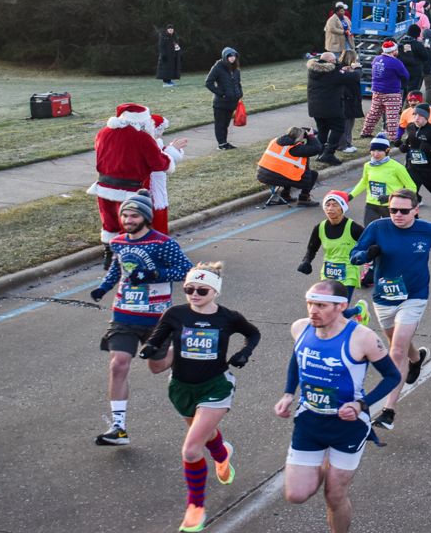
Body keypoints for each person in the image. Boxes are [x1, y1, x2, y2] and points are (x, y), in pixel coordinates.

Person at [140, 262, 261, 533]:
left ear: (215, 291)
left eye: (202, 290)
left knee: (191, 449)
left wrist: (244, 353)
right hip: (181, 387)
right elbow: (157, 338)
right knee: (204, 435)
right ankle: (222, 453)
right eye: (189, 289)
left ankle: (196, 506)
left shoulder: (229, 317)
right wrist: (150, 349)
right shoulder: (175, 314)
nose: (194, 294)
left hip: (215, 387)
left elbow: (253, 333)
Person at [275, 279, 401, 533]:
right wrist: (288, 393)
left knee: (334, 495)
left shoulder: (363, 338)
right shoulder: (300, 328)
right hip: (310, 422)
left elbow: (392, 376)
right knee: (296, 494)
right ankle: (323, 462)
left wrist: (361, 404)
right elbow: (298, 358)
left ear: (340, 306)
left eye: (321, 305)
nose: (313, 310)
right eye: (310, 303)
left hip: (348, 426)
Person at [89, 189, 194, 445]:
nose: (128, 220)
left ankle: (179, 350)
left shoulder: (163, 243)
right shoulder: (118, 242)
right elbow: (118, 269)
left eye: (134, 216)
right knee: (118, 364)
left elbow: (186, 270)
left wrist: (153, 275)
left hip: (156, 318)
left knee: (156, 367)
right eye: (125, 215)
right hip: (124, 315)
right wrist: (103, 288)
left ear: (146, 218)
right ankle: (118, 428)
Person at [348, 190, 431, 430]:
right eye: (393, 210)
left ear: (416, 210)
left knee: (396, 350)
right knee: (398, 342)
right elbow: (354, 255)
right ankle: (416, 359)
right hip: (384, 298)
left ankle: (388, 411)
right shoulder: (378, 227)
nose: (398, 214)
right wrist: (366, 255)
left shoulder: (428, 230)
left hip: (414, 296)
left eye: (404, 210)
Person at [88, 104, 186, 267]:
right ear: (143, 120)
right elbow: (159, 163)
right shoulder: (141, 137)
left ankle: (109, 255)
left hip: (103, 187)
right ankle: (127, 260)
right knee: (129, 224)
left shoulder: (103, 132)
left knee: (110, 223)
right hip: (129, 191)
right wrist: (170, 155)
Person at [298, 191, 366, 291]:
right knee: (327, 301)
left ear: (342, 208)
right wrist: (306, 261)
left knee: (341, 301)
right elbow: (312, 249)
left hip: (348, 274)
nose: (330, 208)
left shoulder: (354, 228)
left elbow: (370, 245)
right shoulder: (319, 227)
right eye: (327, 205)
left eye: (334, 205)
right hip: (328, 273)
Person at [307, 51, 361, 165]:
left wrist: (342, 69)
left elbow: (337, 74)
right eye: (334, 61)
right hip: (331, 107)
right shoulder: (332, 72)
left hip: (315, 107)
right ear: (331, 61)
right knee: (339, 128)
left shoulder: (313, 70)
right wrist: (357, 68)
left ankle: (320, 152)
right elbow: (354, 77)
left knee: (323, 130)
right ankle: (328, 153)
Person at [349, 136, 417, 225]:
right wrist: (351, 195)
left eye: (379, 151)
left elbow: (412, 187)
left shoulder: (397, 167)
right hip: (371, 203)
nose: (376, 154)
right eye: (373, 150)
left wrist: (391, 197)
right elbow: (364, 182)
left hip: (391, 206)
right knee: (369, 229)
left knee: (392, 231)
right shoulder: (368, 166)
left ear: (387, 151)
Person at [256, 127, 323, 206]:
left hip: (262, 175)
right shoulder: (295, 149)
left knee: (288, 170)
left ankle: (285, 195)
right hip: (275, 176)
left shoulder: (275, 141)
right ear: (299, 137)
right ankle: (304, 198)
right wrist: (311, 137)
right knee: (313, 174)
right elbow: (316, 149)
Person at [360, 41, 409, 141]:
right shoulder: (396, 62)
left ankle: (365, 132)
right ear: (393, 51)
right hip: (391, 92)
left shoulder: (376, 59)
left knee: (374, 113)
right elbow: (406, 76)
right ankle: (393, 137)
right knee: (392, 116)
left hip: (377, 91)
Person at [205, 47, 244, 150]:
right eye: (229, 56)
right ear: (225, 57)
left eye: (234, 56)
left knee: (226, 124)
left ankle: (224, 143)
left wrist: (239, 93)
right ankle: (221, 144)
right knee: (220, 124)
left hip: (232, 102)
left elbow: (238, 83)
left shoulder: (236, 69)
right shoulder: (217, 67)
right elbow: (208, 83)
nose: (232, 58)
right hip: (221, 103)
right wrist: (221, 94)